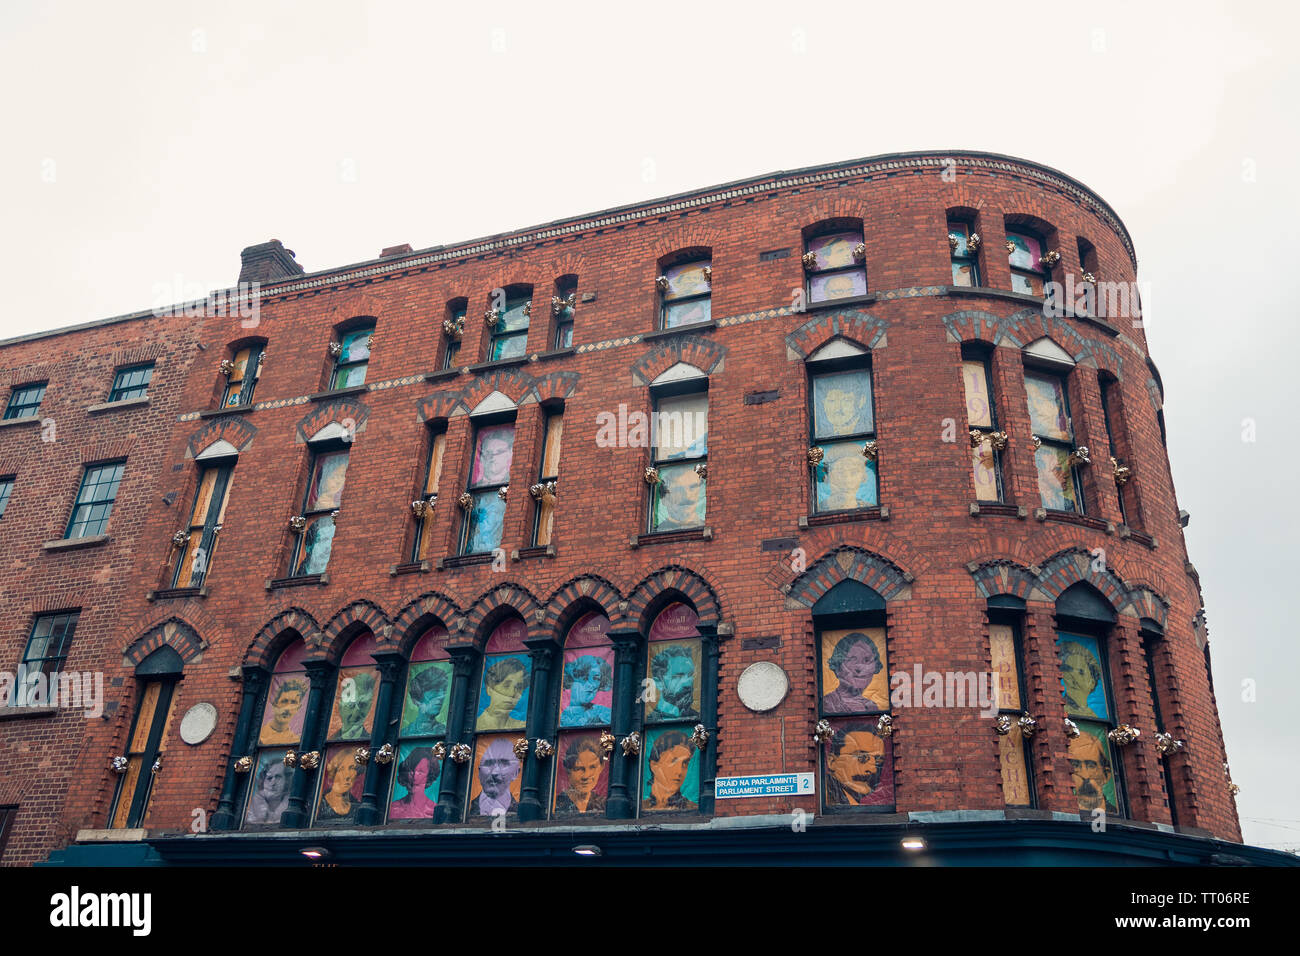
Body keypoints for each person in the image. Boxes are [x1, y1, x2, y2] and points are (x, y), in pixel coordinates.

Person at [823, 723, 887, 806]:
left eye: (878, 761)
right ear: (832, 762)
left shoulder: (842, 801)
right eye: (862, 757)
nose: (873, 770)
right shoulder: (826, 799)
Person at [821, 633, 884, 714]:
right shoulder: (828, 704)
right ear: (838, 667)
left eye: (867, 660)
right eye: (851, 660)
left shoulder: (872, 707)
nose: (860, 667)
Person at [643, 730, 696, 811]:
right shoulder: (642, 807)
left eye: (685, 763)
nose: (679, 772)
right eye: (673, 761)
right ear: (654, 765)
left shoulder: (692, 808)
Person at [553, 736, 606, 815]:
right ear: (568, 770)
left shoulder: (604, 805)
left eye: (592, 767)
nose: (586, 776)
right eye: (578, 769)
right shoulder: (555, 806)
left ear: (601, 767)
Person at [646, 644, 698, 721]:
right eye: (678, 676)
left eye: (690, 675)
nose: (687, 683)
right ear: (659, 682)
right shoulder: (650, 721)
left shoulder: (697, 718)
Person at [559, 654, 613, 727]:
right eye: (585, 678)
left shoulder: (605, 714)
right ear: (570, 680)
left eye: (596, 679)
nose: (592, 685)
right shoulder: (559, 717)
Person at [388, 746, 441, 820]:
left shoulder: (434, 810)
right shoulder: (393, 808)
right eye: (412, 770)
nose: (415, 777)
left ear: (429, 776)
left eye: (420, 772)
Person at [476, 657, 528, 730]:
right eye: (506, 685)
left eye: (518, 687)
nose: (512, 693)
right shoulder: (476, 726)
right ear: (489, 689)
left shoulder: (522, 727)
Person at [473, 737, 520, 817]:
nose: (494, 772)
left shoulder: (519, 812)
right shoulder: (467, 812)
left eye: (504, 764)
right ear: (479, 772)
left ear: (516, 773)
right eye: (488, 763)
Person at [1068, 729, 1114, 812]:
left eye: (1091, 766)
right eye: (1076, 765)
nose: (1085, 776)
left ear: (1106, 774)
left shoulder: (1114, 812)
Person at [1058, 640, 1103, 718]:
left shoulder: (1094, 717)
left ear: (1092, 682)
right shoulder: (1059, 711)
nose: (1073, 678)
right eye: (1067, 670)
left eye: (1081, 672)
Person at [316, 748, 360, 822]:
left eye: (352, 768)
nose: (347, 776)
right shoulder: (319, 804)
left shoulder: (358, 808)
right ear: (334, 773)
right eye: (341, 769)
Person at [404, 664, 449, 736]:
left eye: (443, 691)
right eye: (435, 690)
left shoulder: (445, 731)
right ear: (418, 695)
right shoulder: (405, 733)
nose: (442, 696)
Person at [261, 677, 306, 745]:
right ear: (275, 704)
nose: (287, 708)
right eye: (284, 701)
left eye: (293, 702)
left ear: (298, 708)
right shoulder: (260, 735)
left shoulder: (295, 740)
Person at [246, 757, 290, 824]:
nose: (273, 783)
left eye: (278, 777)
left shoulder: (292, 805)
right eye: (269, 778)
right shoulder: (251, 806)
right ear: (263, 781)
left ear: (286, 780)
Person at [335, 670, 376, 740]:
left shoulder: (371, 739)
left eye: (362, 705)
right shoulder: (332, 739)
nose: (356, 713)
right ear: (340, 707)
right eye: (351, 705)